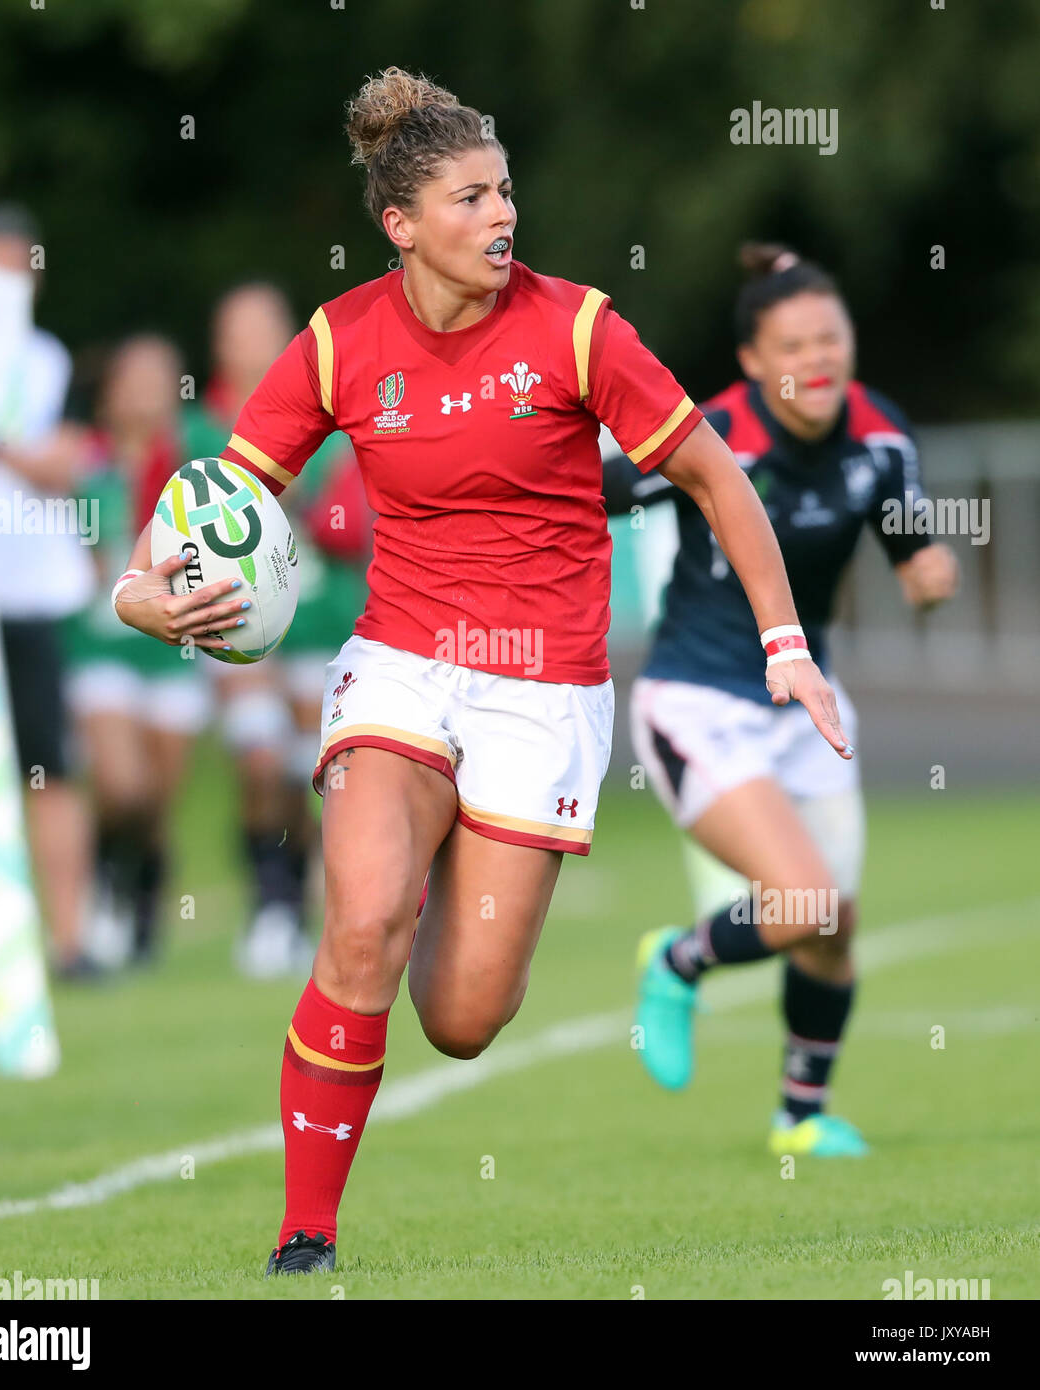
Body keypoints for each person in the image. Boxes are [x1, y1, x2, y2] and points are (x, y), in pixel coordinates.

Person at [112, 69, 852, 1274]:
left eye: (505, 191)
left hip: (543, 693)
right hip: (401, 666)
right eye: (470, 199)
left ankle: (454, 837)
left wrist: (785, 646)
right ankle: (307, 1234)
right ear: (401, 224)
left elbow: (718, 477)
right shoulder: (339, 343)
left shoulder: (576, 327)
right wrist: (141, 590)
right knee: (361, 926)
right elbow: (223, 500)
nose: (502, 217)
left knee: (461, 1019)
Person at [602, 242, 959, 1156]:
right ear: (754, 364)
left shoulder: (880, 434)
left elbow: (912, 554)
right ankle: (675, 962)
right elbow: (588, 490)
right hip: (698, 701)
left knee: (833, 925)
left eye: (829, 338)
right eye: (792, 345)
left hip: (808, 703)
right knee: (800, 900)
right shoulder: (706, 436)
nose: (817, 359)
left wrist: (930, 576)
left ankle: (800, 1118)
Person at [183, 284, 370, 976]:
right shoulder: (203, 431)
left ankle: (310, 912)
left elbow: (355, 523)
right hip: (240, 624)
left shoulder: (334, 421)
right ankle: (271, 903)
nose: (254, 343)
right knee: (261, 758)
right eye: (239, 331)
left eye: (266, 328)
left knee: (317, 771)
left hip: (323, 621)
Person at [0, 203, 97, 978]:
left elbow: (63, 464)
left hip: (28, 596)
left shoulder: (48, 362)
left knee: (48, 768)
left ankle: (67, 942)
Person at [63, 335, 212, 967]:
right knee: (121, 786)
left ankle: (141, 902)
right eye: (135, 378)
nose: (148, 392)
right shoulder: (81, 465)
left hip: (172, 651)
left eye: (162, 378)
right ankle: (99, 885)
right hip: (100, 646)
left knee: (154, 799)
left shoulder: (195, 471)